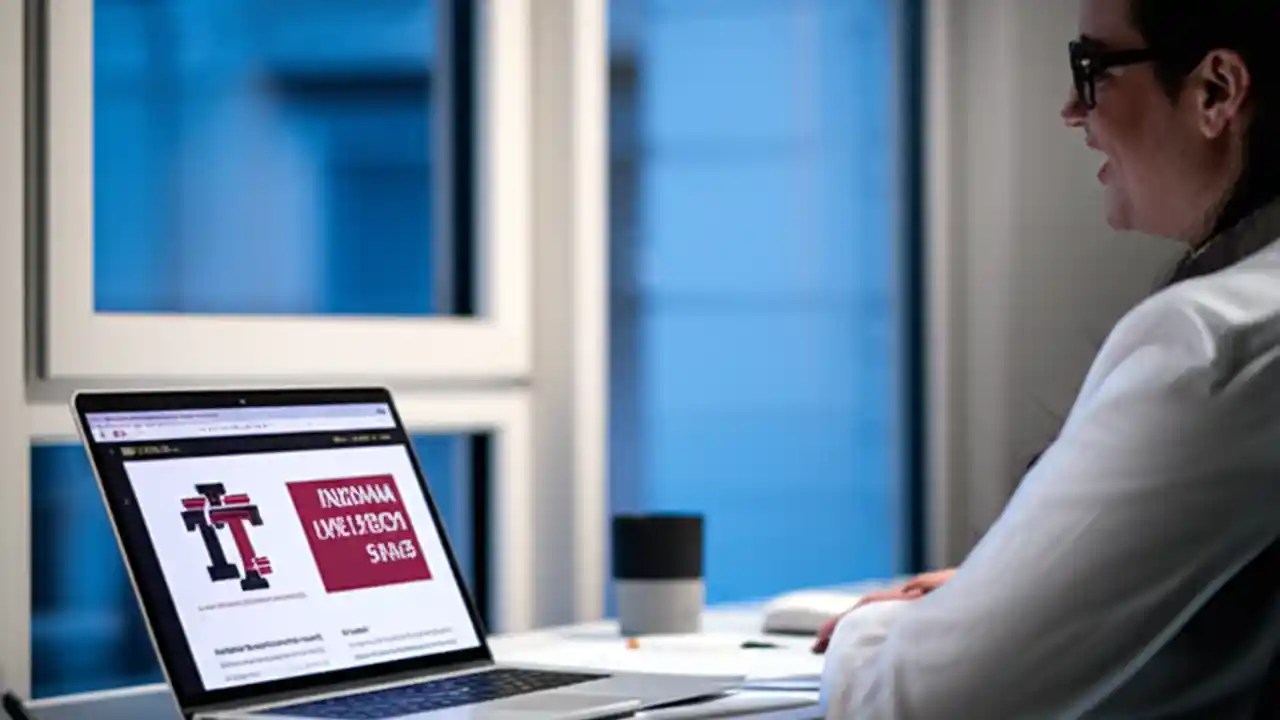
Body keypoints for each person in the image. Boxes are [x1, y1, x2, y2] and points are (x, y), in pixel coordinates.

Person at [816, 0, 1280, 716]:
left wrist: (892, 628)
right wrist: (1024, 599)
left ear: (1217, 91)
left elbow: (917, 704)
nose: (1071, 109)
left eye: (1091, 69)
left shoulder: (1213, 344)